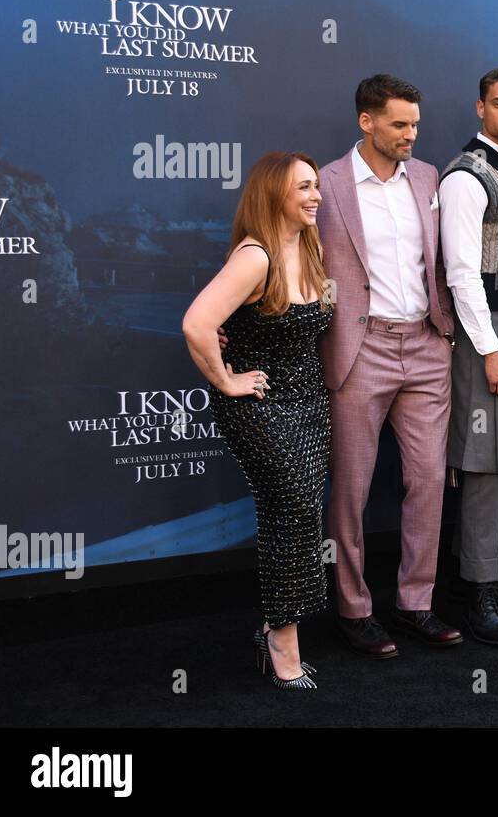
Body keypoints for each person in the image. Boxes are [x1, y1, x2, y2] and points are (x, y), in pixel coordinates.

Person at [318, 74, 461, 658]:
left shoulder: (427, 177)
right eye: (399, 124)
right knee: (350, 487)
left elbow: (445, 258)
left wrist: (446, 331)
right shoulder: (325, 185)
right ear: (366, 122)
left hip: (426, 346)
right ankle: (353, 609)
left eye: (415, 125)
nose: (411, 135)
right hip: (360, 348)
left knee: (426, 481)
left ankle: (415, 604)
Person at [182, 151, 333, 690]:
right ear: (274, 196)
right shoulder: (256, 255)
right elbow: (198, 322)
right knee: (288, 515)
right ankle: (282, 645)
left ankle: (275, 626)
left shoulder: (309, 246)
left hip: (310, 405)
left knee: (303, 517)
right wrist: (225, 380)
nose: (315, 196)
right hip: (261, 407)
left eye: (316, 186)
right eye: (303, 189)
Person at [438, 67, 498, 647]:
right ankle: (477, 593)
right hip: (485, 334)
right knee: (482, 462)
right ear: (480, 109)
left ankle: (479, 578)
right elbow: (460, 275)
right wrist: (491, 351)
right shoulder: (466, 178)